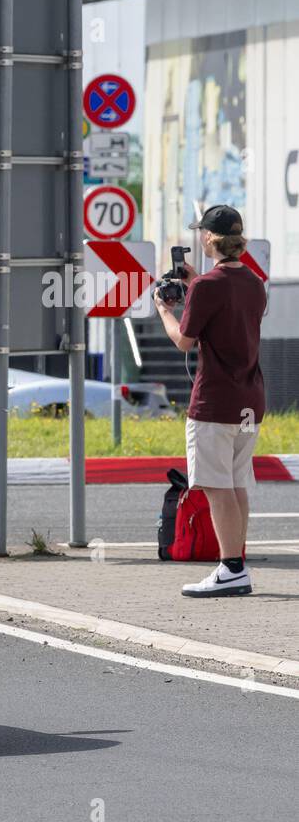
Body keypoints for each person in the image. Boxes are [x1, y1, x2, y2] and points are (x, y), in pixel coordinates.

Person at [154, 204, 266, 598]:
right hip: (251, 399)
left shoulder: (205, 287)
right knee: (236, 484)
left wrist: (164, 310)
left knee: (217, 487)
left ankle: (231, 568)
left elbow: (185, 339)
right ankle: (237, 562)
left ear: (207, 239)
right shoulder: (254, 282)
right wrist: (198, 282)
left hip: (215, 402)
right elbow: (230, 311)